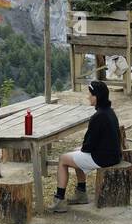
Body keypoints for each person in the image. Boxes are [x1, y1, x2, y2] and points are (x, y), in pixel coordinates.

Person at [51, 79, 121, 212]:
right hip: (113, 155)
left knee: (63, 159)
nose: (88, 97)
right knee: (76, 155)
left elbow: (88, 146)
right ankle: (81, 193)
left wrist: (82, 148)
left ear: (96, 97)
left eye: (90, 94)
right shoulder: (109, 112)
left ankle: (59, 199)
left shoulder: (98, 116)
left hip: (103, 158)